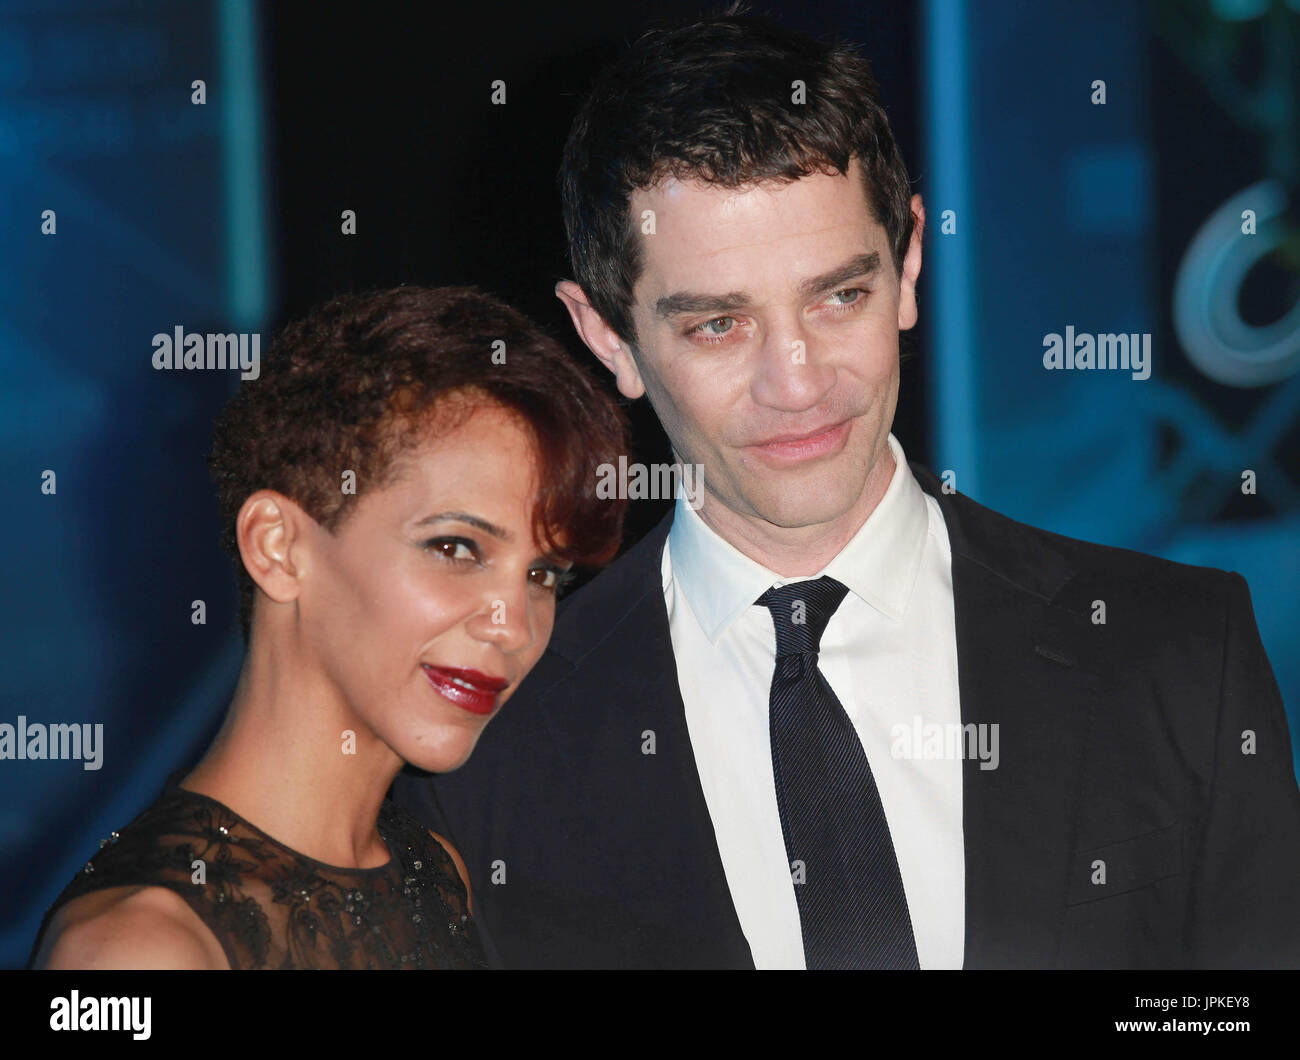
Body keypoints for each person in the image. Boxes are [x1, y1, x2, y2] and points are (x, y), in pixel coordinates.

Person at [393, 11, 1300, 969]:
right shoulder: (494, 746)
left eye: (840, 296)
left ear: (908, 261)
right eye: (718, 327)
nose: (799, 382)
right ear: (607, 336)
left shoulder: (1180, 653)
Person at [28, 286, 627, 969]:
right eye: (457, 548)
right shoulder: (138, 950)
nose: (513, 627)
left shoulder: (434, 876)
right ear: (278, 547)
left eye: (544, 574)